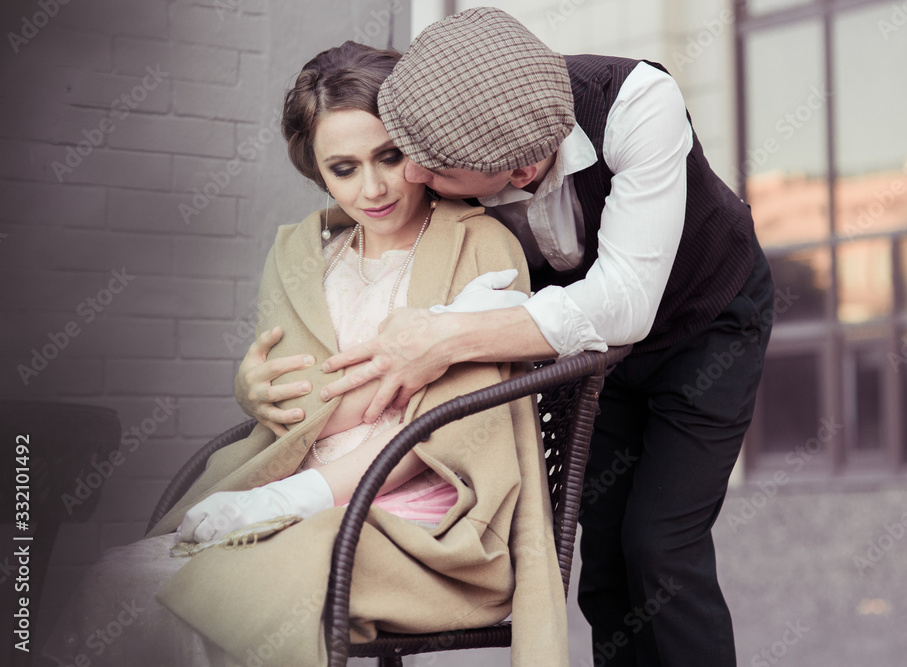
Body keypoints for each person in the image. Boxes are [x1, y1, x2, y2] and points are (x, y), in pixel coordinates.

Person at [235, 8, 775, 667]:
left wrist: (447, 337)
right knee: (603, 557)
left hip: (704, 325)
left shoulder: (638, 104)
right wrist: (262, 383)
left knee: (661, 546)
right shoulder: (460, 157)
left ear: (516, 172)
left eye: (431, 172)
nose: (410, 179)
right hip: (577, 354)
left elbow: (627, 304)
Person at [43, 41, 568, 667]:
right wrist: (262, 398)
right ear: (317, 171)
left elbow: (443, 426)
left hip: (420, 519)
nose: (372, 187)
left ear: (421, 149)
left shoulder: (478, 242)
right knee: (118, 580)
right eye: (343, 168)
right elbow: (297, 410)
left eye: (390, 156)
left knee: (224, 596)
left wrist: (294, 482)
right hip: (292, 486)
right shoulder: (303, 255)